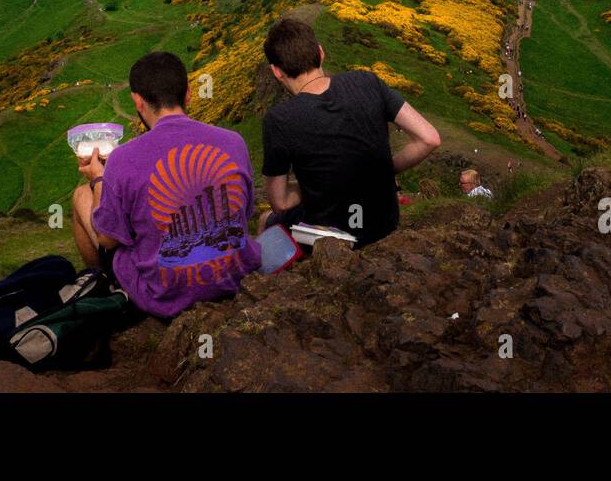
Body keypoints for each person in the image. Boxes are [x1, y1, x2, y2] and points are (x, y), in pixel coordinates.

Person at [72, 51, 261, 318]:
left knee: (82, 195)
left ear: (137, 102)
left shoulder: (122, 158)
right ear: (188, 95)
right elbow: (245, 211)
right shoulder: (234, 141)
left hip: (164, 294)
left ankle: (105, 284)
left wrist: (100, 179)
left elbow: (107, 238)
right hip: (234, 278)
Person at [259, 17, 441, 248]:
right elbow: (429, 138)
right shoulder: (367, 81)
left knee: (267, 220)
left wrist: (322, 182)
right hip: (384, 223)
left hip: (330, 238)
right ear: (320, 53)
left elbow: (281, 202)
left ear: (276, 71)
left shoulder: (279, 119)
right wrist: (378, 170)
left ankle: (272, 281)